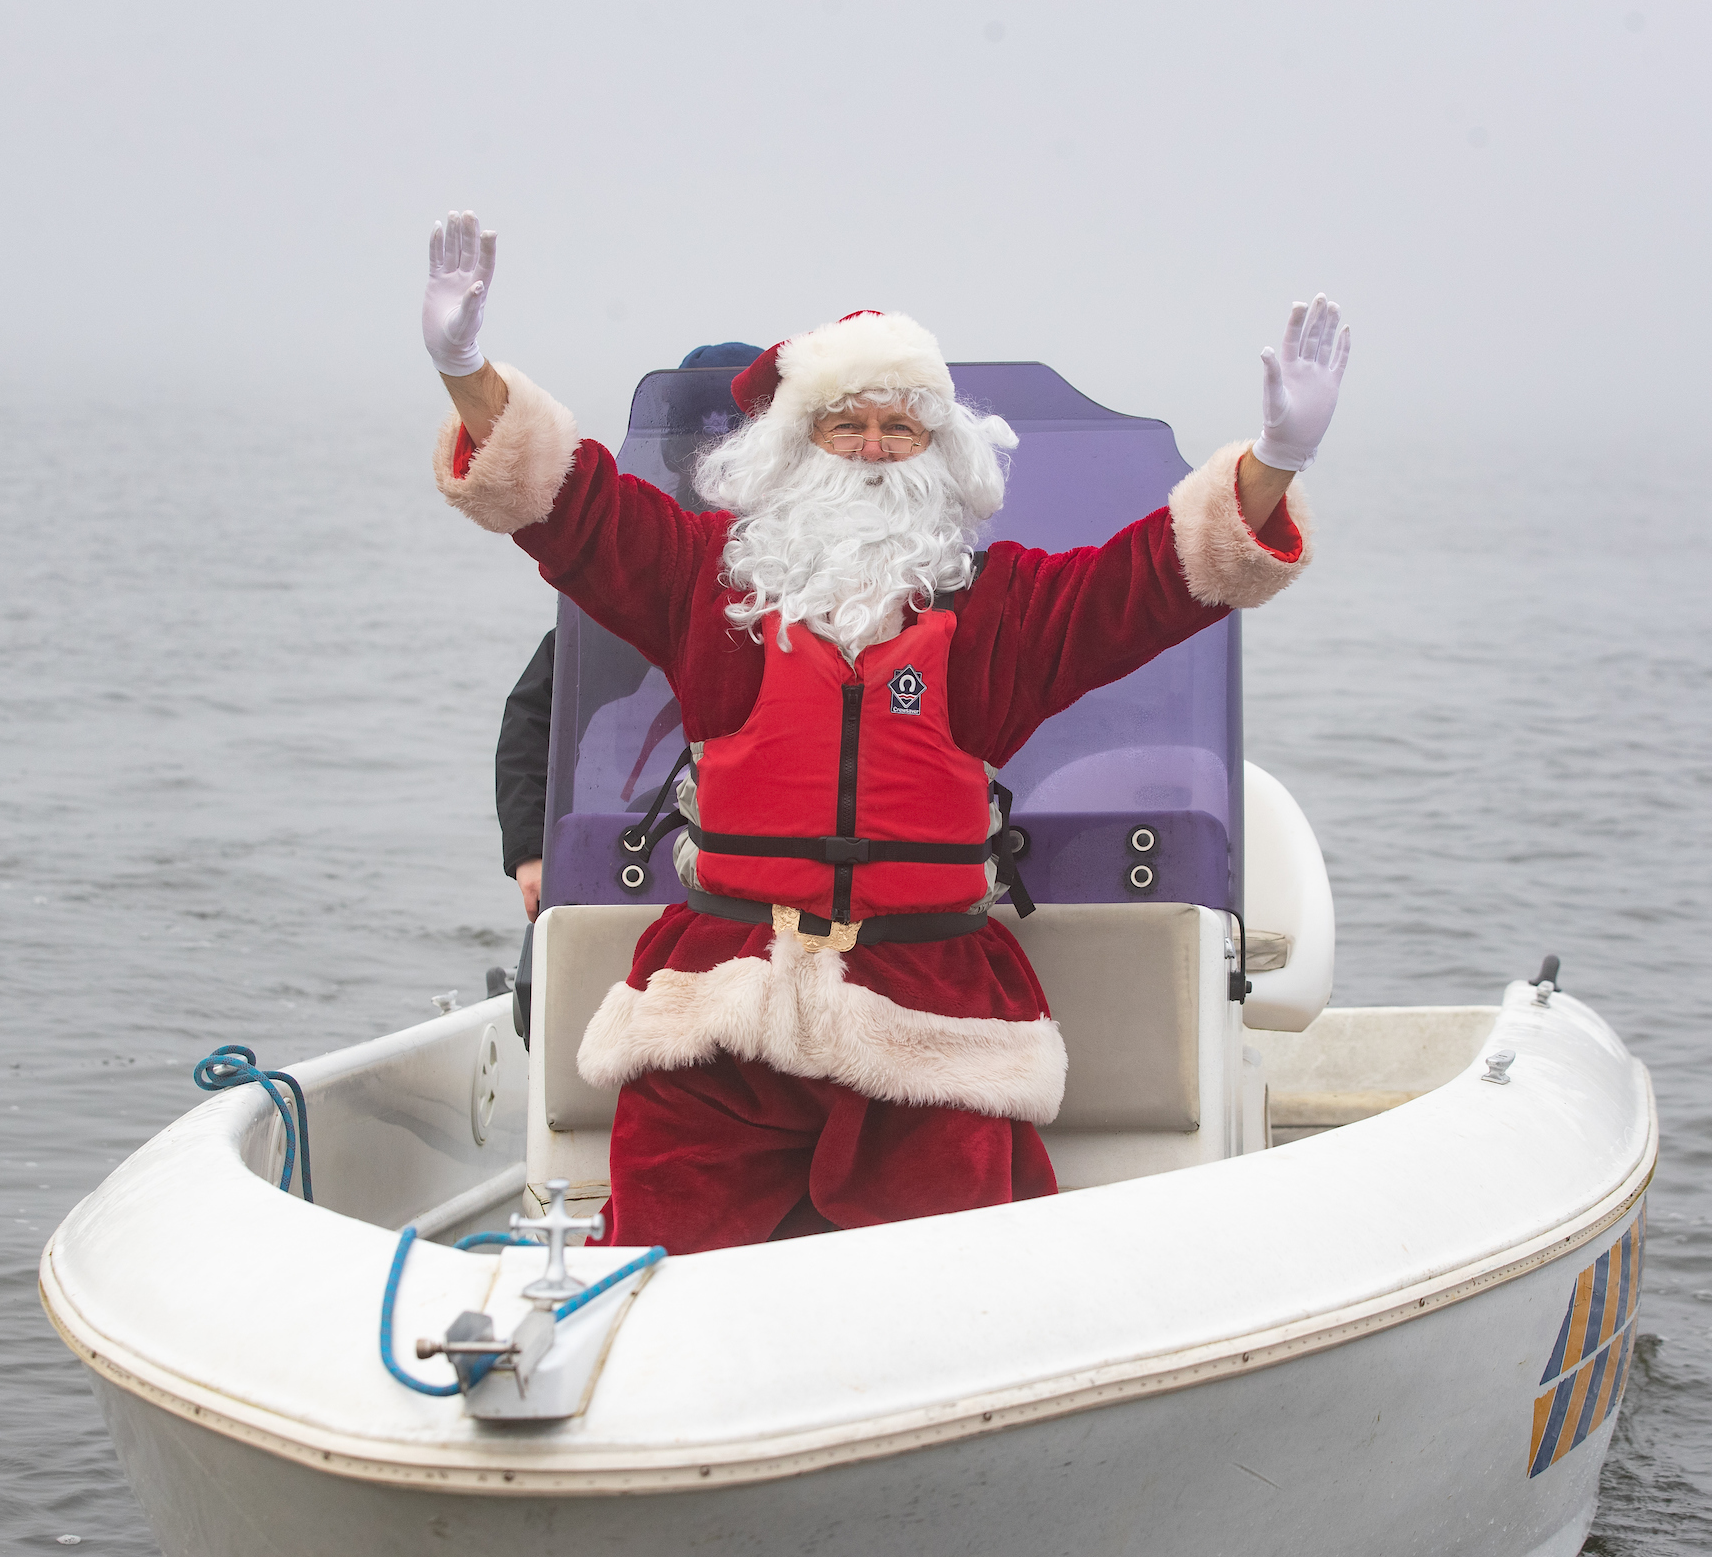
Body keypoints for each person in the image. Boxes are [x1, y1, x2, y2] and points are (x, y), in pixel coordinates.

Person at [422, 210, 1350, 1254]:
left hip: (930, 1019)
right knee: (653, 1254)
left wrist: (1269, 464)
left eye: (898, 429)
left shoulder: (995, 611)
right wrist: (466, 373)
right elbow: (570, 506)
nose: (870, 450)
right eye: (844, 426)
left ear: (936, 453)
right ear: (796, 443)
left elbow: (1143, 587)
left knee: (970, 1277)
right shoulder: (704, 583)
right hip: (722, 1006)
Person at [493, 342, 768, 925]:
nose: (720, 465)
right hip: (630, 857)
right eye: (701, 444)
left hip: (774, 868)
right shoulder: (647, 574)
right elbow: (537, 715)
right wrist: (531, 851)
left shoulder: (819, 580)